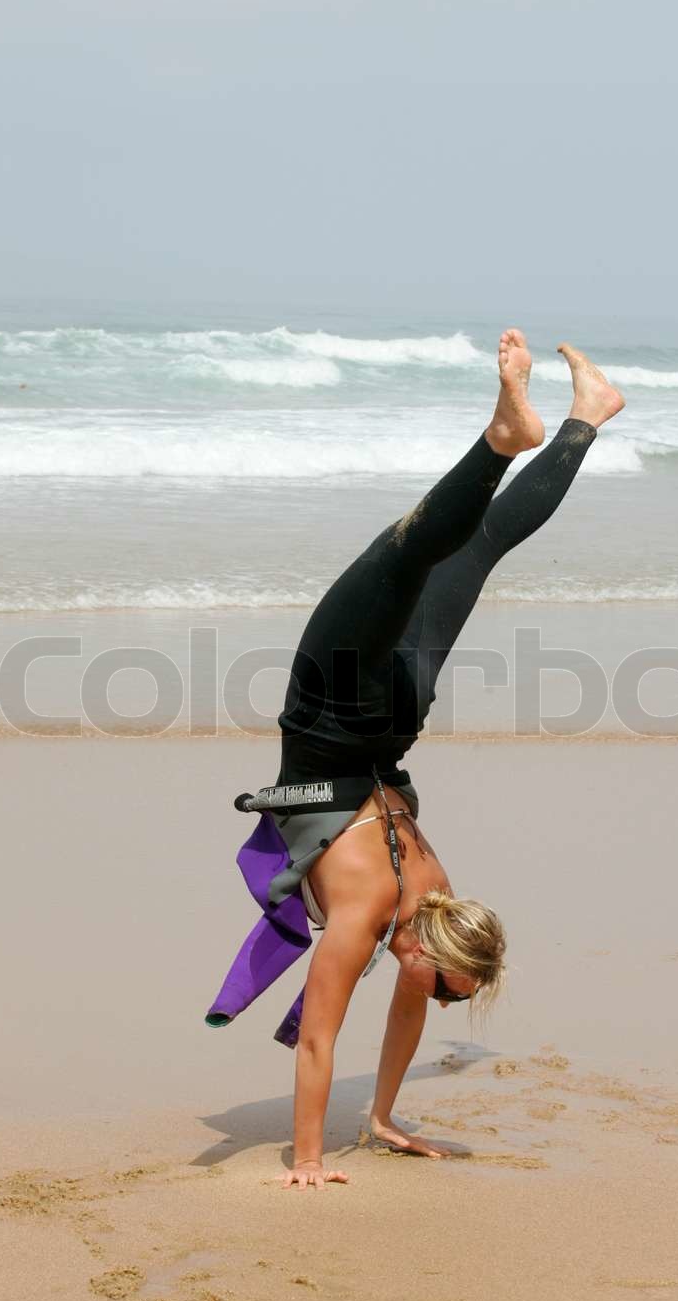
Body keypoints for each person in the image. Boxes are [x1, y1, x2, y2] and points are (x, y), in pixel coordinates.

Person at [205, 331, 624, 1188]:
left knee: (473, 546)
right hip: (335, 710)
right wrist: (310, 1161)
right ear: (434, 954)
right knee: (400, 558)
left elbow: (392, 1026)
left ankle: (588, 416)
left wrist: (387, 1115)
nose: (432, 1001)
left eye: (445, 1000)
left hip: (399, 717)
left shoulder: (434, 899)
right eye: (446, 991)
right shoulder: (369, 919)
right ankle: (501, 442)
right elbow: (320, 1038)